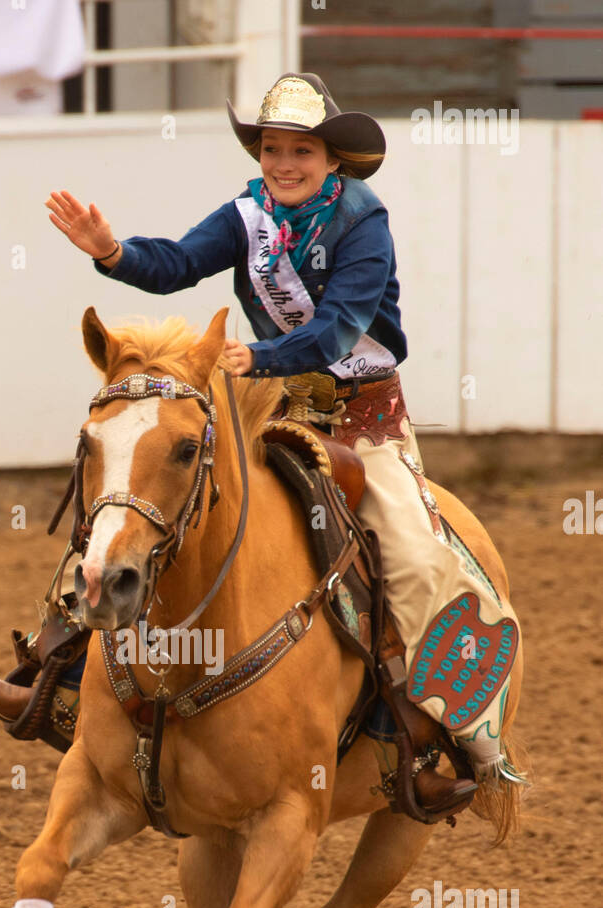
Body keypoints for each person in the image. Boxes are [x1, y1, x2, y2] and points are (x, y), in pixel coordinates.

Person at [40, 71, 523, 812]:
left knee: (415, 555)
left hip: (361, 421)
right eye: (272, 148)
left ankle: (443, 737)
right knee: (139, 502)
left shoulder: (365, 224)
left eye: (301, 150)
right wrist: (112, 253)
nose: (284, 163)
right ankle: (58, 676)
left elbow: (336, 327)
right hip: (268, 408)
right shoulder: (247, 213)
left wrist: (257, 358)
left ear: (332, 159)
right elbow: (174, 264)